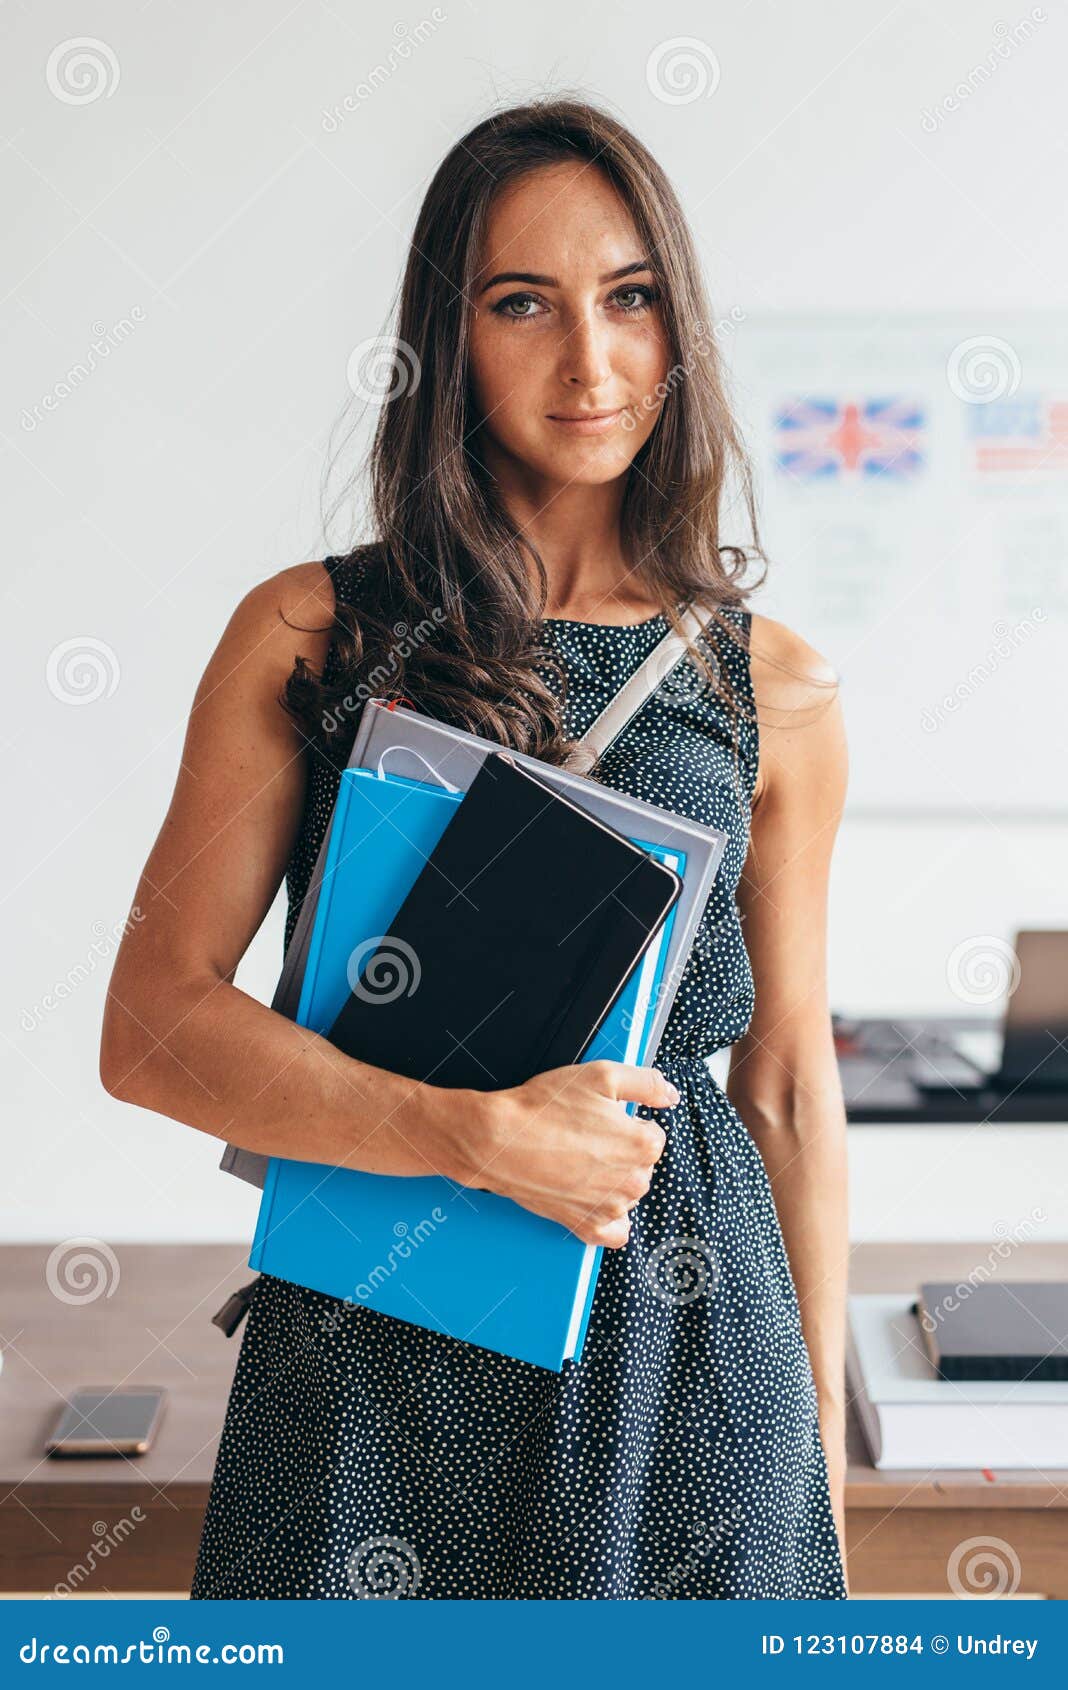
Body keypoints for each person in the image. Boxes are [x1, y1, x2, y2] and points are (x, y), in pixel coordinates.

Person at [100, 97, 849, 1600]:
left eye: (630, 298)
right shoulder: (310, 632)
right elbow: (150, 1028)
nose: (591, 362)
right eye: (523, 303)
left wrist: (818, 1459)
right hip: (373, 1326)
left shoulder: (770, 683)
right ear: (446, 340)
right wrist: (468, 1134)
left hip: (683, 1352)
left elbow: (783, 1080)